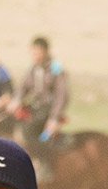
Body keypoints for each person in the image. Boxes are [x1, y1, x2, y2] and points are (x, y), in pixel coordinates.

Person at [14, 36, 69, 171]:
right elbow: (23, 87)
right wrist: (16, 100)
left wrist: (54, 118)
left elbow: (61, 94)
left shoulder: (56, 68)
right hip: (35, 107)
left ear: (45, 51)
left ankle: (43, 162)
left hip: (49, 108)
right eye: (33, 52)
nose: (35, 55)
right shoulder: (33, 69)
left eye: (38, 52)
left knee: (28, 130)